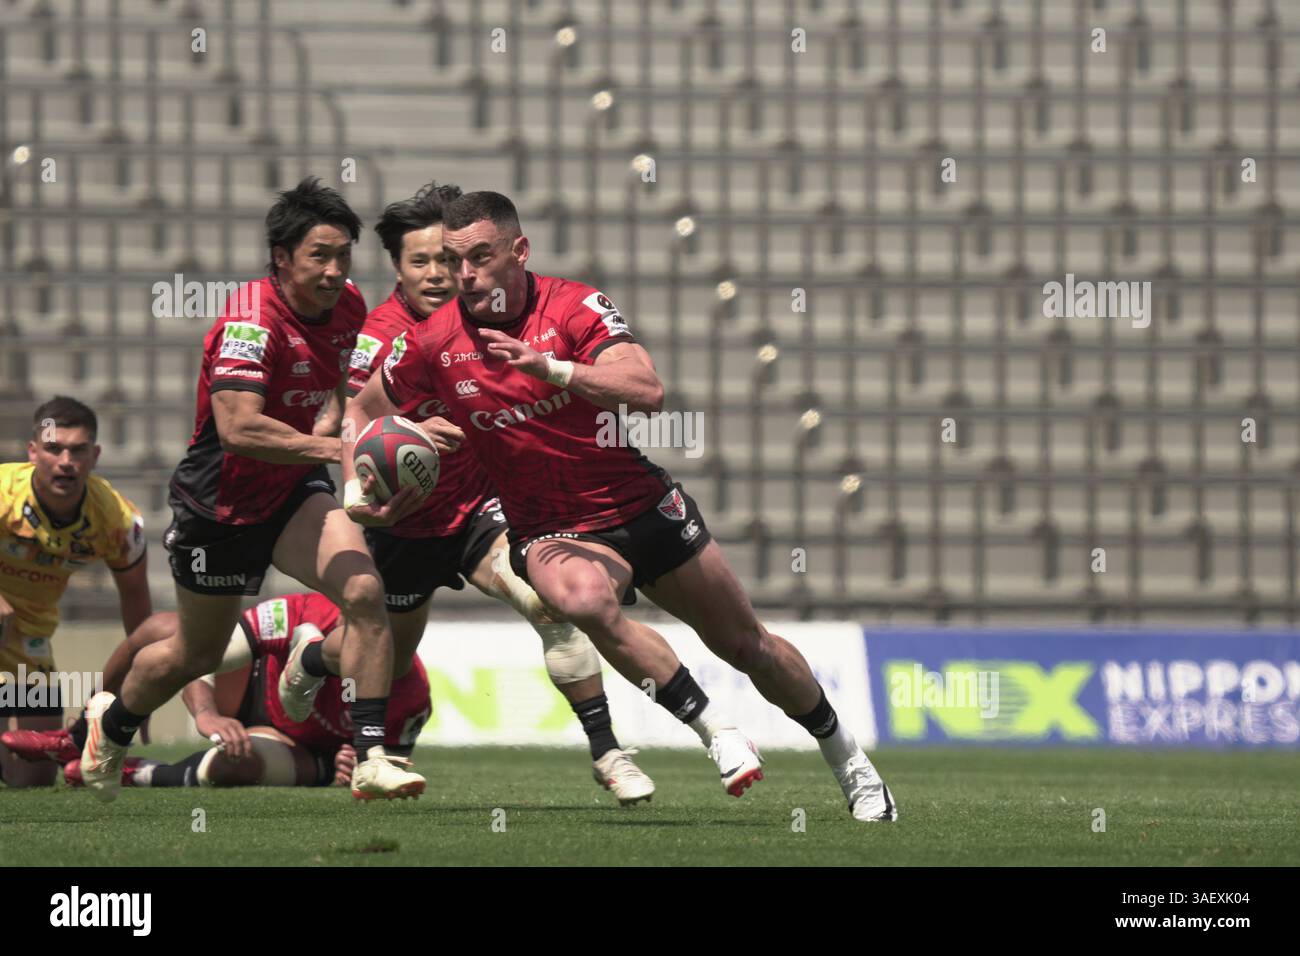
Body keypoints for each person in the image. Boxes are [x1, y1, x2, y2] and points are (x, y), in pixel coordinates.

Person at [346, 191, 896, 820]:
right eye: (451, 259)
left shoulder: (575, 305)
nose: (461, 275)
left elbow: (648, 391)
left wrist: (553, 369)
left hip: (639, 505)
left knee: (748, 647)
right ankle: (717, 731)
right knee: (581, 601)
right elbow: (362, 411)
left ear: (519, 252)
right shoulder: (433, 342)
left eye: (479, 257)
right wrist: (360, 490)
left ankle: (850, 761)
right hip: (548, 527)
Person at [79, 178, 445, 802]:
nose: (334, 272)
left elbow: (336, 389)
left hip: (293, 489)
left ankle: (374, 754)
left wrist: (342, 427)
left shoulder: (349, 307)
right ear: (281, 257)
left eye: (342, 256)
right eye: (318, 256)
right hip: (219, 504)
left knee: (363, 591)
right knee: (194, 655)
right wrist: (341, 449)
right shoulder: (250, 322)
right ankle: (110, 729)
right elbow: (239, 428)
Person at [328, 181, 652, 803]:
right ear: (397, 268)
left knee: (548, 606)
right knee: (389, 655)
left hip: (480, 510)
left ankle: (608, 751)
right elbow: (353, 418)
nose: (438, 274)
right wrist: (406, 436)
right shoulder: (382, 335)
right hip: (405, 520)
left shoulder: (491, 320)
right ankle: (314, 662)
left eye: (446, 261)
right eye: (419, 261)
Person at [64, 594, 429, 794]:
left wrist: (350, 770)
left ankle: (137, 773)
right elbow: (200, 650)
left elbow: (392, 774)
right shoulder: (308, 610)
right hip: (248, 685)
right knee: (164, 628)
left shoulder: (412, 695)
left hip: (304, 750)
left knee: (234, 766)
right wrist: (206, 713)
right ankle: (81, 734)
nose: (376, 644)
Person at [0, 397, 152, 787]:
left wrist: (143, 688)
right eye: (54, 448)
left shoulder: (115, 519)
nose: (66, 461)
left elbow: (136, 601)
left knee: (34, 777)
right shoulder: (3, 492)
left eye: (78, 450)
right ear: (33, 452)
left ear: (95, 455)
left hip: (30, 642)